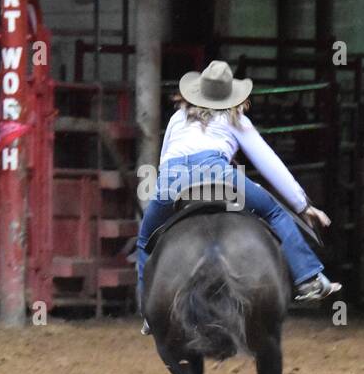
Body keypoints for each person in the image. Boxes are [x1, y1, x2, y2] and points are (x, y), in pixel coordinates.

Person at [136, 60, 341, 330]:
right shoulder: (235, 118)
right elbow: (268, 162)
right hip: (218, 173)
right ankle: (309, 278)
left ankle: (151, 310)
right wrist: (302, 205)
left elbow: (165, 161)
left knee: (144, 240)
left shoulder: (177, 117)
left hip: (172, 178)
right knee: (274, 212)